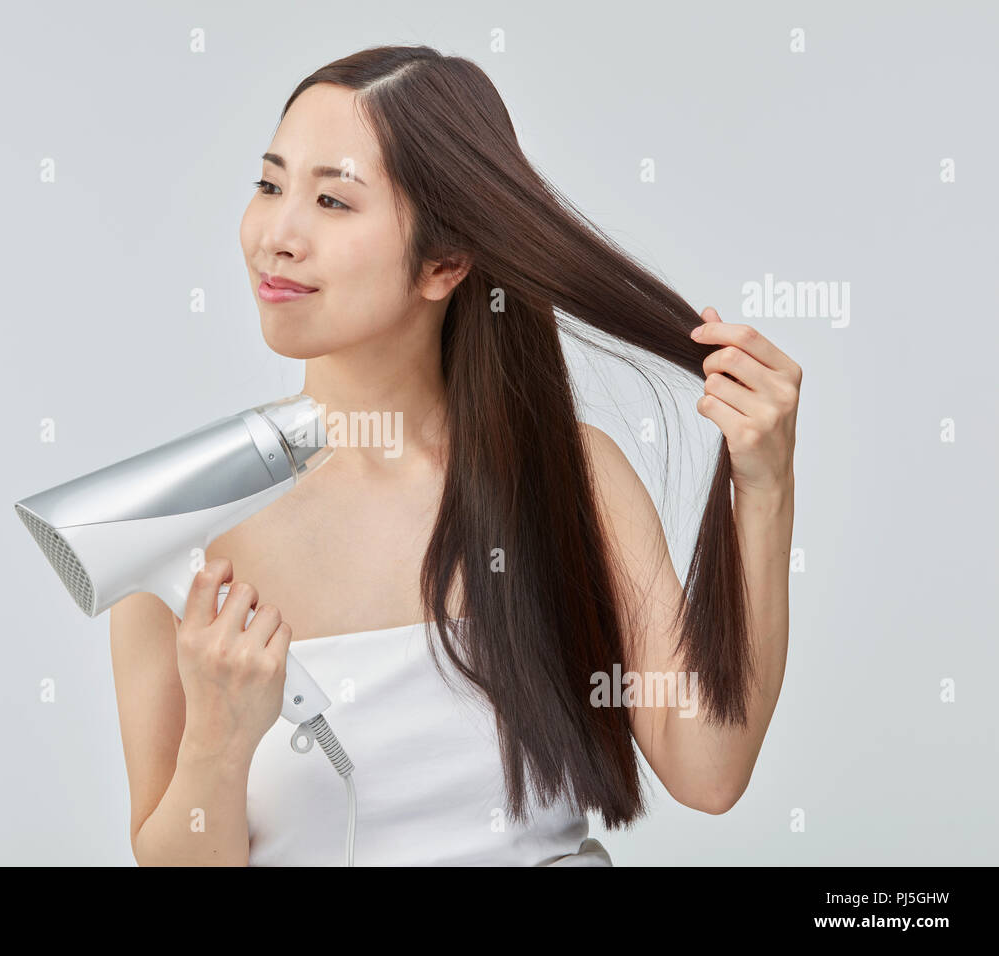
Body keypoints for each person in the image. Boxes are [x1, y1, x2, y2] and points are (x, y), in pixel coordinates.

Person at [111, 45, 800, 866]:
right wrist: (217, 744)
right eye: (269, 185)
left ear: (445, 262)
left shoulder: (572, 481)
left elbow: (710, 770)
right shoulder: (183, 523)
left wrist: (764, 492)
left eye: (332, 199)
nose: (277, 236)